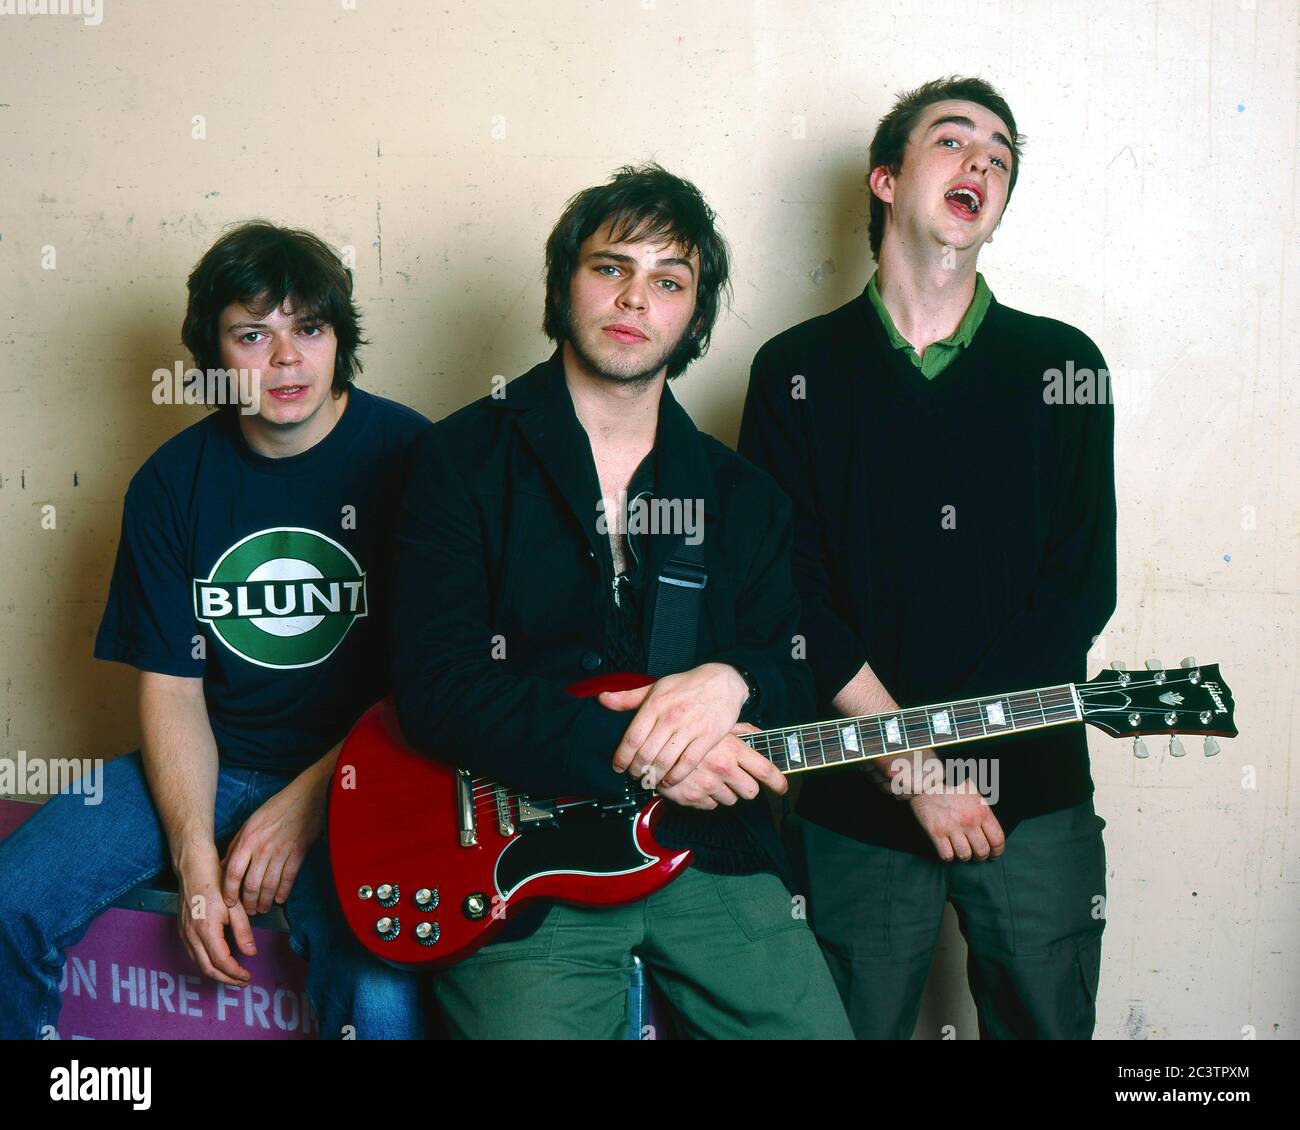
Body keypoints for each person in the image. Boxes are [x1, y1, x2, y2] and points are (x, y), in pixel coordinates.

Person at [392, 163, 852, 1039]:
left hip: (710, 854)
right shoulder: (459, 462)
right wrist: (645, 751)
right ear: (565, 283)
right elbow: (436, 688)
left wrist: (732, 682)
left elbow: (792, 671)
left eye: (668, 282)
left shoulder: (743, 496)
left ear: (694, 316)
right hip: (519, 860)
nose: (635, 299)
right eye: (611, 268)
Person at [738, 77, 1117, 1039]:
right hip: (852, 802)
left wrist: (966, 767)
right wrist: (914, 768)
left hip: (1030, 798)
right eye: (954, 141)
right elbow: (788, 598)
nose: (981, 162)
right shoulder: (795, 371)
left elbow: (1079, 589)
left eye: (1000, 156)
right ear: (885, 178)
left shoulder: (1064, 366)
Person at [0, 221, 431, 1039]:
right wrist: (197, 858)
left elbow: (439, 678)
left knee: (379, 988)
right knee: (8, 903)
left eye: (309, 328)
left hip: (366, 768)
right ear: (213, 354)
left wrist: (308, 803)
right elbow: (171, 687)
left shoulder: (415, 456)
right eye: (251, 334)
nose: (285, 360)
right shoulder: (171, 483)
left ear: (340, 340)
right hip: (214, 758)